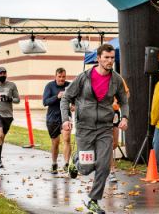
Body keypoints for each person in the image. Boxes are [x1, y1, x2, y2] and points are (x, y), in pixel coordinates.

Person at [61, 44, 128, 214]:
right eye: (106, 57)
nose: (110, 61)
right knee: (86, 168)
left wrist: (125, 117)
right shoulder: (84, 77)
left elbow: (124, 100)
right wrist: (65, 119)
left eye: (112, 58)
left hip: (105, 128)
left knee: (104, 166)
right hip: (85, 128)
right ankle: (76, 162)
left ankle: (93, 200)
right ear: (98, 58)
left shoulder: (116, 79)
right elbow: (66, 97)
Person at [42, 67, 71, 174]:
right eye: (59, 77)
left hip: (65, 117)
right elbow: (45, 102)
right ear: (55, 77)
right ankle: (54, 163)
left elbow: (76, 98)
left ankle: (67, 164)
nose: (62, 79)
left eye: (63, 77)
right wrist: (57, 96)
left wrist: (73, 105)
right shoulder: (49, 86)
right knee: (55, 142)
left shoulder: (69, 85)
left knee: (67, 139)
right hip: (52, 118)